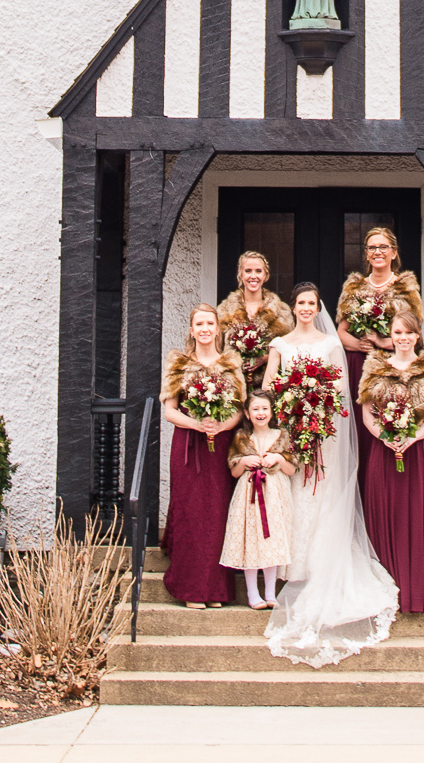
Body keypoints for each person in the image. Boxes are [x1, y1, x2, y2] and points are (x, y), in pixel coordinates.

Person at [260, 279, 398, 665]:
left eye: (312, 303)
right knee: (293, 493)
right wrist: (291, 405)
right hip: (291, 429)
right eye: (301, 303)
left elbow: (339, 391)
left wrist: (317, 411)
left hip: (322, 432)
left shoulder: (330, 344)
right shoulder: (280, 345)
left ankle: (319, 564)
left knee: (319, 492)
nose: (306, 308)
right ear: (293, 307)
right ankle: (291, 564)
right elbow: (269, 387)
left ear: (317, 307)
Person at [358, 305, 424, 612]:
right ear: (390, 335)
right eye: (397, 332)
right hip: (384, 452)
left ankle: (419, 592)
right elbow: (367, 415)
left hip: (418, 453)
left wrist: (413, 437)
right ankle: (386, 589)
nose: (403, 338)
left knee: (416, 517)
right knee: (386, 514)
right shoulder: (375, 368)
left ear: (417, 335)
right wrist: (384, 437)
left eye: (408, 332)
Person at [160, 303, 245, 607]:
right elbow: (170, 411)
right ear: (192, 330)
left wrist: (222, 425)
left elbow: (239, 409)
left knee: (217, 513)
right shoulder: (179, 364)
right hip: (189, 445)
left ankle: (215, 590)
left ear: (218, 329)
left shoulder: (230, 364)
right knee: (192, 513)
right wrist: (196, 424)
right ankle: (191, 589)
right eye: (200, 324)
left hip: (220, 446)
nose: (205, 329)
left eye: (210, 323)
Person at [336, 224, 424, 480]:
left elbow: (416, 335)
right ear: (366, 253)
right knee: (361, 426)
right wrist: (358, 345)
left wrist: (383, 342)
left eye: (383, 247)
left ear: (394, 252)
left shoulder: (406, 288)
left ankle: (387, 485)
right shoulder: (354, 288)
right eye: (372, 247)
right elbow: (341, 331)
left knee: (388, 420)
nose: (378, 252)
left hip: (391, 366)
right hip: (359, 365)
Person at [220, 391, 295, 609]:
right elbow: (234, 472)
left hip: (275, 495)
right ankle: (253, 593)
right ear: (247, 413)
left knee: (272, 541)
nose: (260, 413)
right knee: (250, 541)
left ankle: (270, 593)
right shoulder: (242, 438)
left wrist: (278, 458)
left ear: (272, 411)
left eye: (264, 408)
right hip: (249, 495)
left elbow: (291, 469)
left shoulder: (281, 436)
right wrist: (244, 461)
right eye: (255, 409)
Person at [215, 249, 293, 395]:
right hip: (233, 387)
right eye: (248, 271)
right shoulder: (223, 311)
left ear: (265, 275)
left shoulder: (282, 312)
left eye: (258, 271)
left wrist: (266, 358)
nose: (253, 276)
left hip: (268, 388)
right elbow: (216, 350)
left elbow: (291, 349)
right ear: (240, 274)